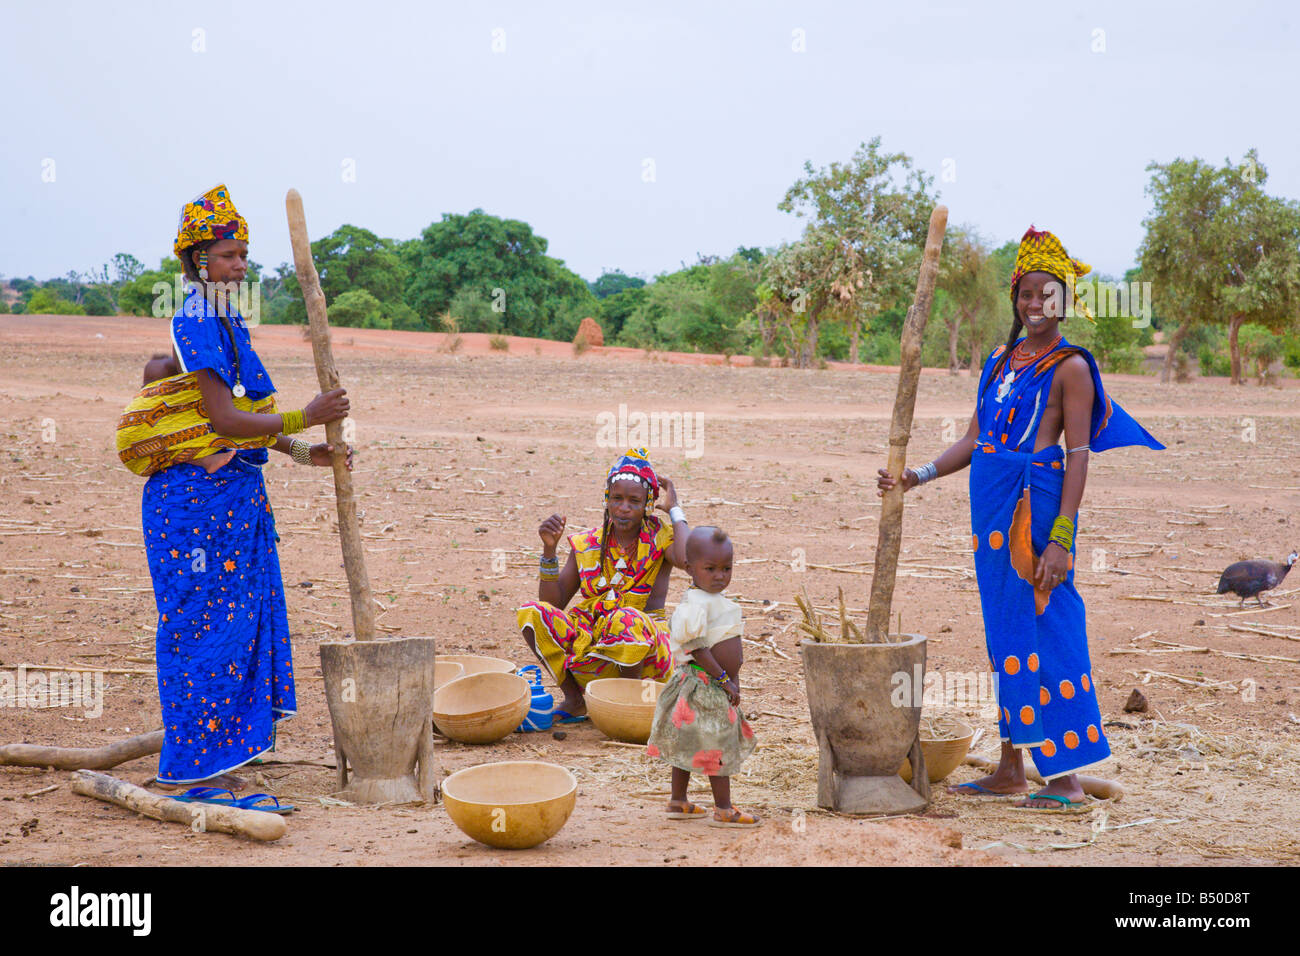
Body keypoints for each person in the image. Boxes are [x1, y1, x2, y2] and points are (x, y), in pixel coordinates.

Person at [876, 226, 1164, 810]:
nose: (1036, 304)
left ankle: (1065, 780)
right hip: (991, 521)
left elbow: (1077, 455)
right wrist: (916, 476)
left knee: (1049, 628)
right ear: (1015, 297)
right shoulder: (998, 361)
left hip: (1038, 518)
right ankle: (1011, 767)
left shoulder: (1072, 368)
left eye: (1048, 294)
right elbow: (974, 439)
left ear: (1065, 301)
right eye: (1027, 293)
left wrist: (1061, 540)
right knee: (1007, 635)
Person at [142, 184, 353, 792]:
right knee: (202, 631)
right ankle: (194, 771)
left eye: (243, 256)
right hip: (193, 508)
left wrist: (295, 450)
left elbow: (243, 421)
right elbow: (222, 420)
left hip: (231, 501)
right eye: (229, 255)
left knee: (238, 624)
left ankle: (227, 748)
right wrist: (303, 419)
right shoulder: (197, 320)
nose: (240, 266)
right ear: (198, 260)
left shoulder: (228, 319)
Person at [517, 447, 688, 721]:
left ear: (647, 504)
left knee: (625, 618)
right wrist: (549, 551)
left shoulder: (660, 536)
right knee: (531, 612)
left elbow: (687, 558)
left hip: (647, 656)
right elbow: (553, 604)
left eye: (634, 501)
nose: (623, 507)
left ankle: (628, 704)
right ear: (607, 499)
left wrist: (675, 510)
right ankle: (575, 699)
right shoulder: (587, 543)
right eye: (617, 498)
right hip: (597, 647)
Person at [646, 526, 759, 827]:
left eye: (726, 568)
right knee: (715, 744)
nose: (719, 575)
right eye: (710, 569)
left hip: (713, 684)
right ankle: (723, 808)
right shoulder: (694, 605)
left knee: (688, 743)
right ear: (689, 568)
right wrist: (724, 679)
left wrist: (732, 681)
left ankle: (678, 801)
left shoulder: (715, 601)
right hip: (703, 685)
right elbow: (696, 647)